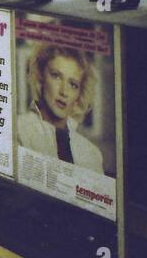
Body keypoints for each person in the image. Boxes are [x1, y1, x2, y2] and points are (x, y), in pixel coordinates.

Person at [16, 44, 104, 173]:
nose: (64, 92)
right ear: (41, 78)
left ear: (79, 94)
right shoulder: (19, 129)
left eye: (73, 85)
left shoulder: (92, 154)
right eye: (56, 76)